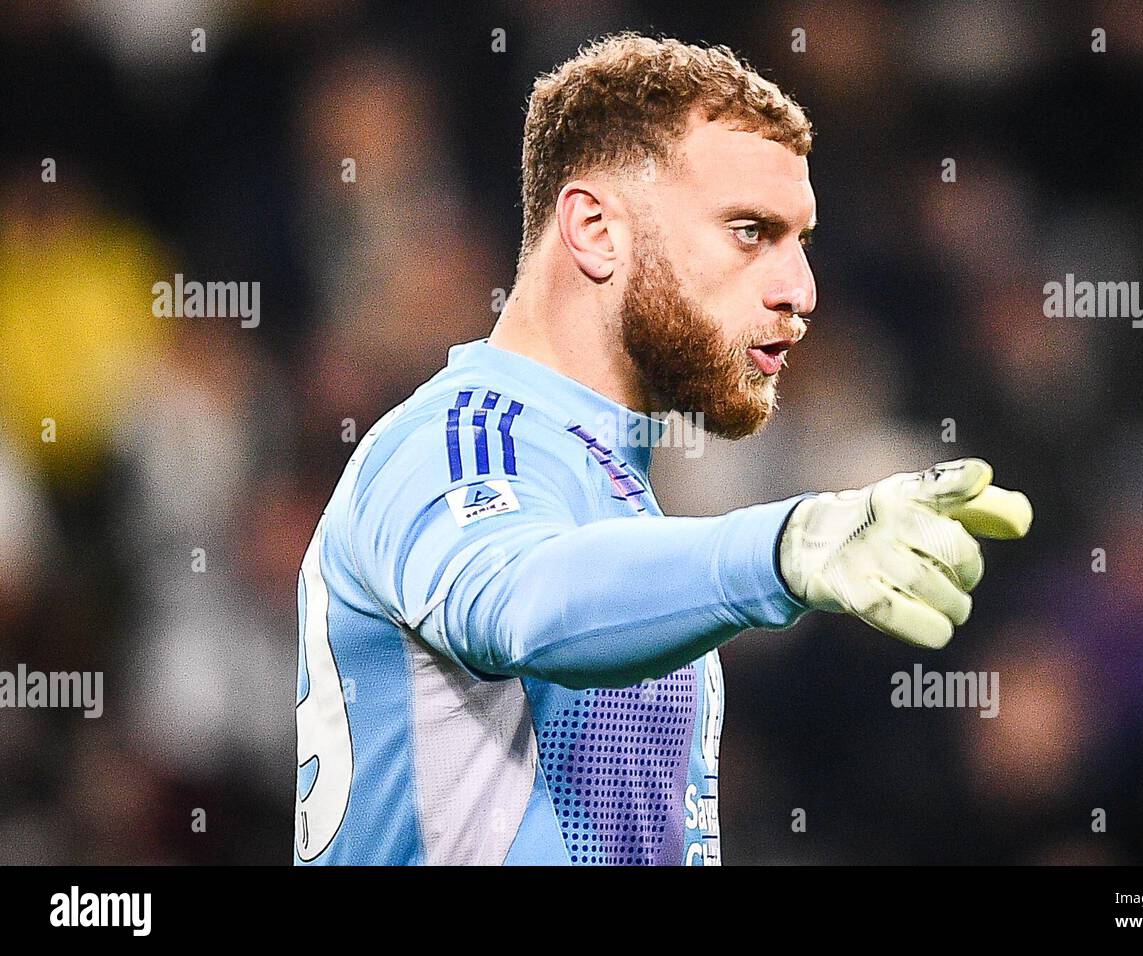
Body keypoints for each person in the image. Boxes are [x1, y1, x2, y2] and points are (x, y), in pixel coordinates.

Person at [294, 32, 1031, 866]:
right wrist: (781, 548)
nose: (801, 291)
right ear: (597, 229)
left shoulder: (617, 493)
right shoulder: (456, 441)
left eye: (802, 242)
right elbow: (522, 602)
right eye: (751, 232)